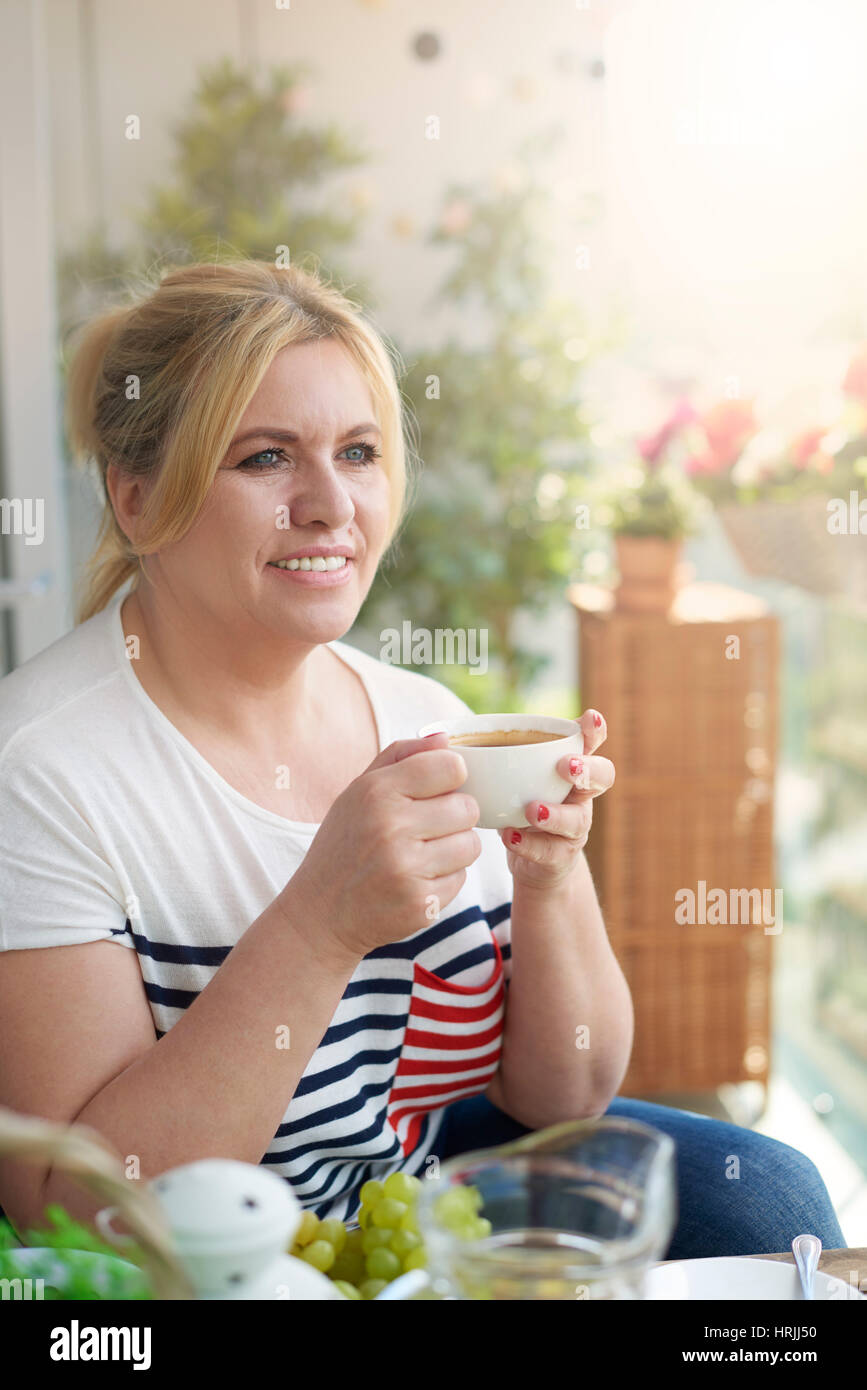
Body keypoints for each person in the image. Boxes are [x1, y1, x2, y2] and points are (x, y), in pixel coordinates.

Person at [0, 259, 845, 1261]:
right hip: (210, 1269)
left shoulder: (424, 717)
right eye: (267, 458)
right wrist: (321, 922)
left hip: (407, 1208)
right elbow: (79, 1212)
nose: (329, 504)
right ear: (136, 500)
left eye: (357, 452)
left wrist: (550, 874)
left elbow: (565, 1093)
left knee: (773, 1196)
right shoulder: (40, 772)